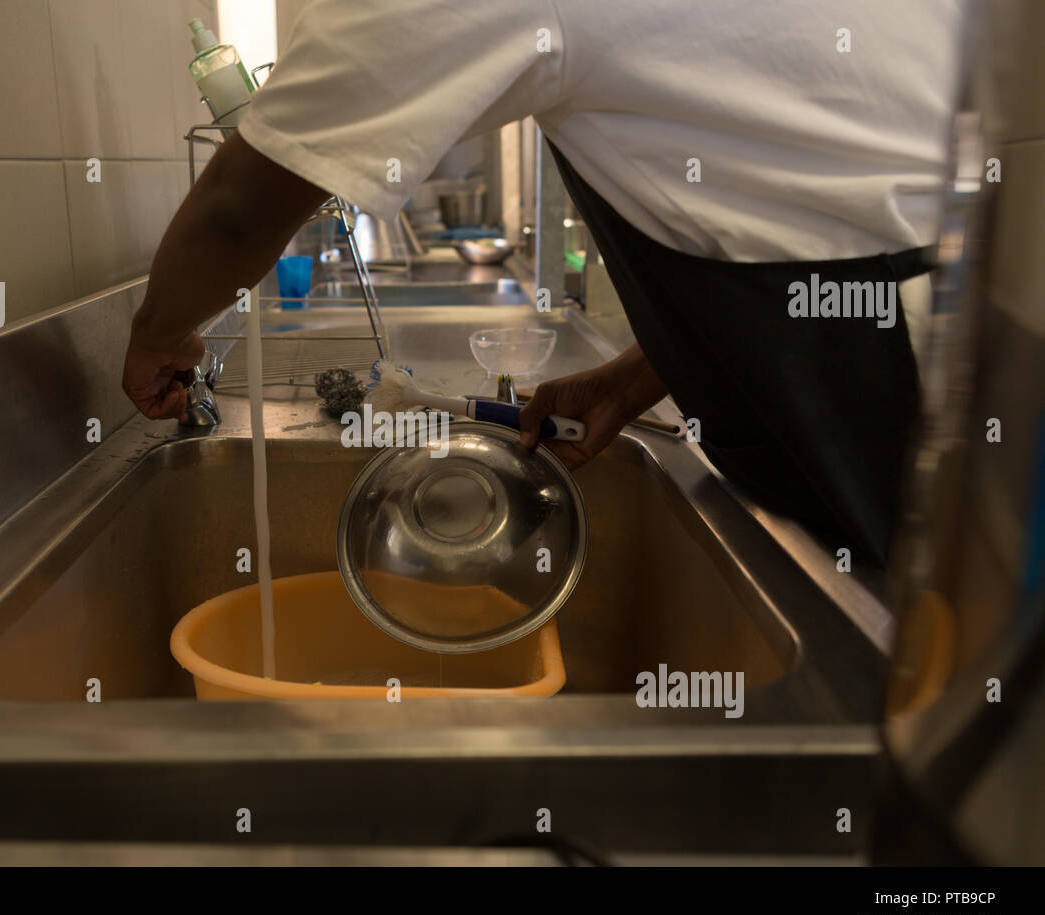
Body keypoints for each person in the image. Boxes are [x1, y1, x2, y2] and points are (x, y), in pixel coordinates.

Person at [124, 0, 967, 566]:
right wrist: (635, 378)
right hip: (950, 318)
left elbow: (244, 203)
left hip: (918, 392)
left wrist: (161, 335)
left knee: (946, 721)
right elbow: (781, 210)